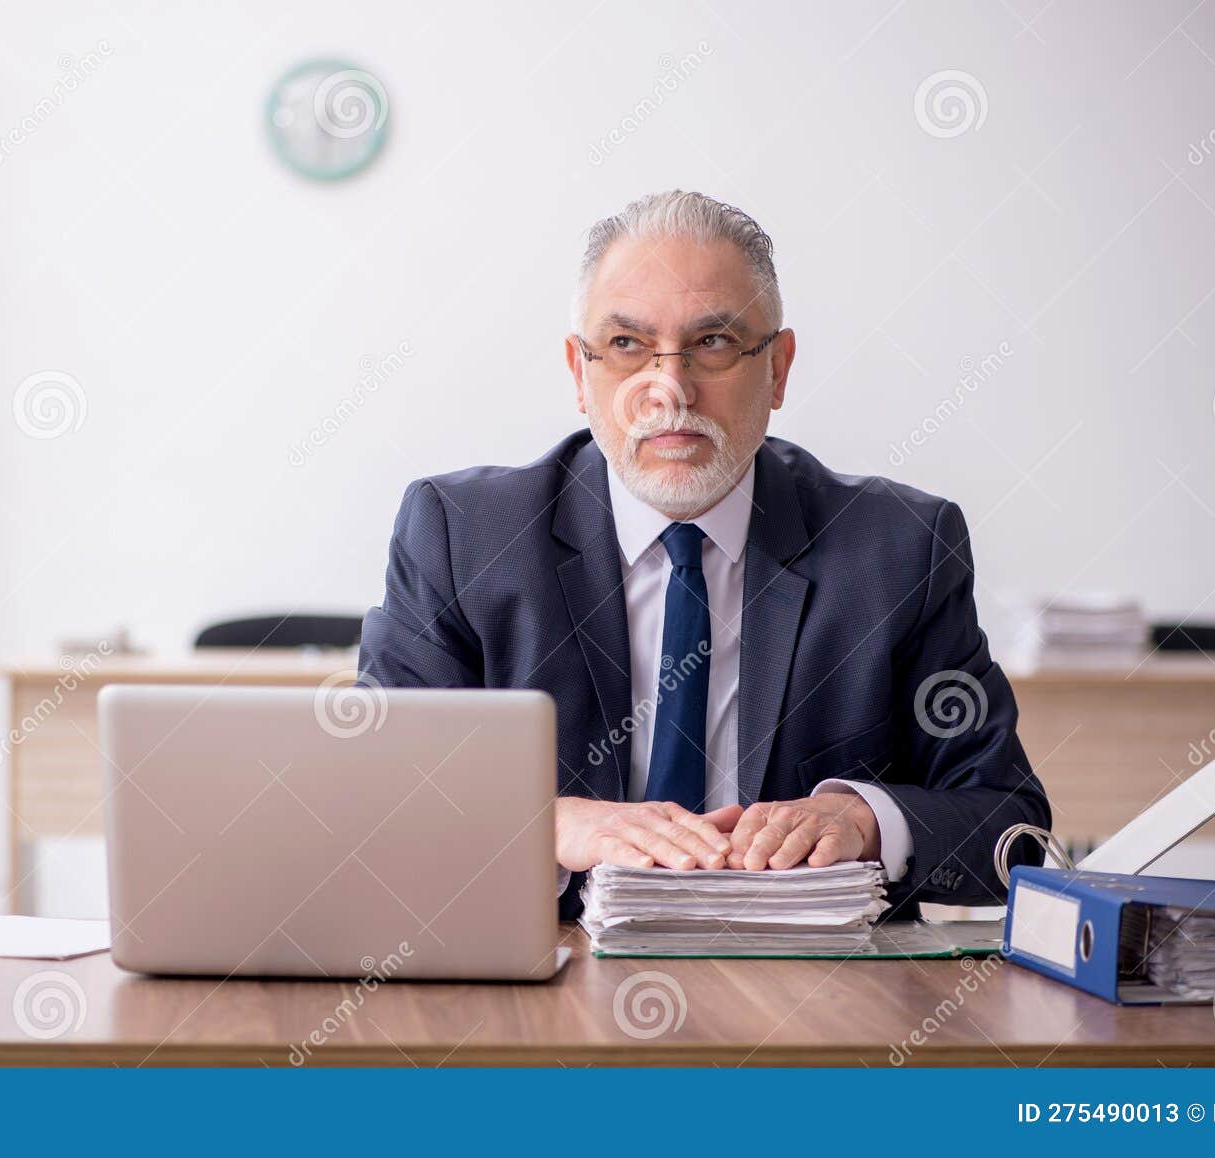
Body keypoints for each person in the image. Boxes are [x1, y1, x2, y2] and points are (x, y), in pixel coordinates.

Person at [358, 190, 1049, 918]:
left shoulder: (899, 549)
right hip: (553, 971)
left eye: (713, 342)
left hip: (806, 980)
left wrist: (867, 820)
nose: (670, 391)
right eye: (627, 345)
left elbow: (1012, 829)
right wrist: (548, 824)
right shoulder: (461, 537)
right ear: (579, 373)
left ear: (778, 368)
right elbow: (376, 802)